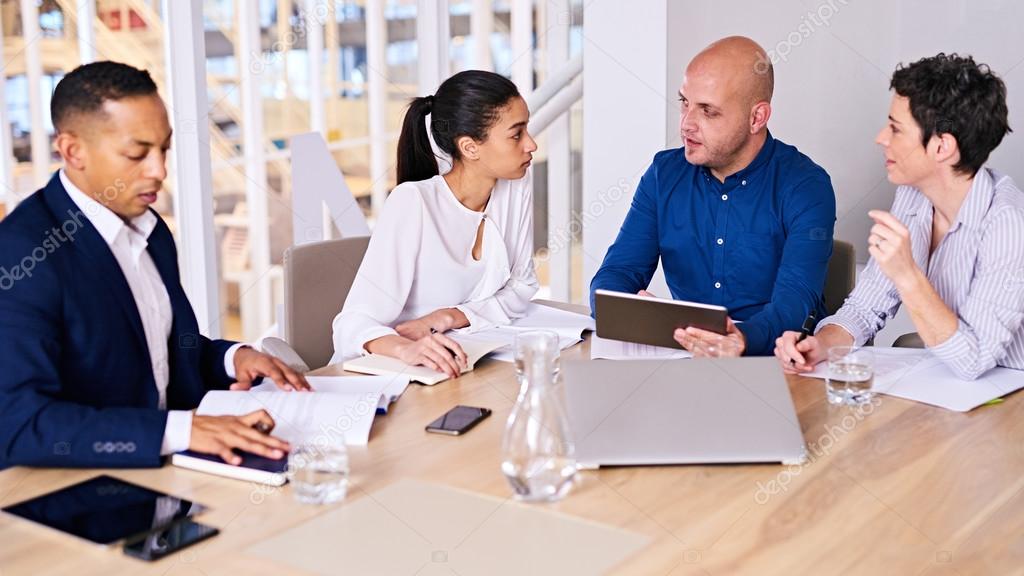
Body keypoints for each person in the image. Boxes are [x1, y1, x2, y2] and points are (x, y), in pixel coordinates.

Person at [0, 61, 310, 469]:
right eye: (137, 153)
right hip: (85, 487)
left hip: (174, 477)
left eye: (164, 149)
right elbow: (20, 425)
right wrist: (182, 430)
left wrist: (231, 358)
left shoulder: (151, 230)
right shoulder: (21, 253)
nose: (159, 170)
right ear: (73, 151)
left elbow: (157, 351)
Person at [775, 53, 1023, 380]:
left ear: (942, 147)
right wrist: (820, 345)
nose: (881, 138)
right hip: (950, 383)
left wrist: (907, 274)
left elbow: (973, 360)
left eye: (896, 129)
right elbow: (865, 308)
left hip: (1008, 388)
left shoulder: (1008, 225)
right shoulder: (913, 193)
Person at [590, 36, 836, 356]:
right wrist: (628, 309)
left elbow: (794, 307)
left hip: (775, 361)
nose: (686, 124)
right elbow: (615, 275)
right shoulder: (664, 174)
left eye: (708, 111)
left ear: (757, 117)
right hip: (685, 358)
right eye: (684, 102)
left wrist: (739, 339)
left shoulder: (806, 186)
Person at [330, 70, 539, 377]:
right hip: (388, 373)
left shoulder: (515, 185)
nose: (531, 144)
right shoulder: (412, 202)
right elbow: (350, 325)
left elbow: (522, 286)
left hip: (457, 363)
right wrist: (405, 349)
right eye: (516, 134)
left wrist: (447, 317)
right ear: (470, 147)